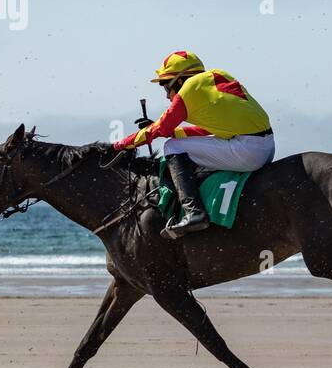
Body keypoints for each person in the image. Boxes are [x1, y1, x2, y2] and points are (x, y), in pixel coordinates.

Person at [114, 50, 274, 237]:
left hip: (248, 151)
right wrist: (168, 130)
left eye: (166, 87)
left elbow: (160, 130)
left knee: (172, 146)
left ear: (180, 81)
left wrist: (119, 145)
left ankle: (193, 212)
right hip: (266, 146)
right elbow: (207, 129)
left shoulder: (189, 88)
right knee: (178, 142)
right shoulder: (218, 76)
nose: (167, 96)